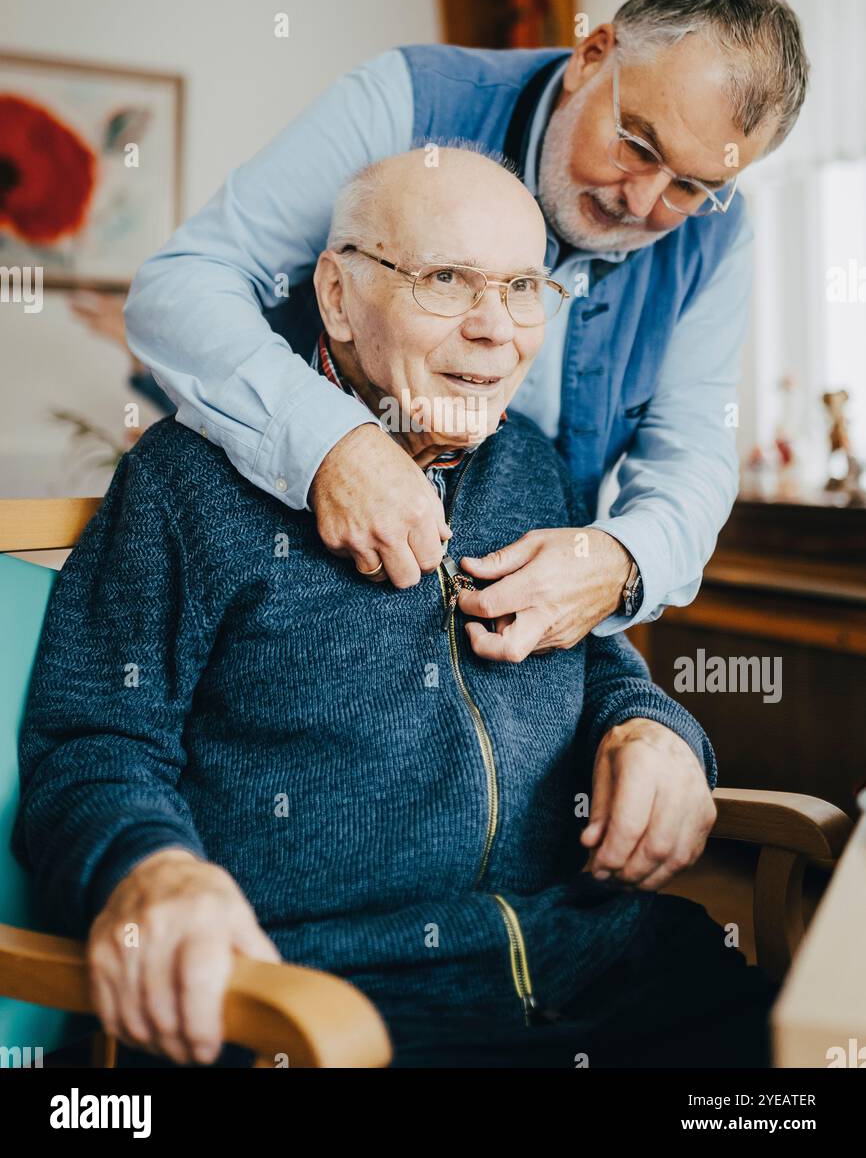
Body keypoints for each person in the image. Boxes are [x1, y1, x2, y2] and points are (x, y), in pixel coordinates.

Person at [14, 149, 774, 1070]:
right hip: (331, 1008)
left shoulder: (528, 461)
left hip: (601, 968)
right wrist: (153, 871)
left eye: (524, 286)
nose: (497, 332)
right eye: (447, 280)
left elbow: (590, 654)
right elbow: (92, 745)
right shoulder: (185, 480)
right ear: (336, 296)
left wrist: (649, 728)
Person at [123, 0, 809, 659]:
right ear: (592, 55)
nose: (640, 202)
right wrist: (328, 443)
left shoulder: (718, 237)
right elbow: (182, 285)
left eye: (690, 186)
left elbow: (692, 448)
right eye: (636, 144)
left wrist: (623, 562)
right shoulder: (404, 101)